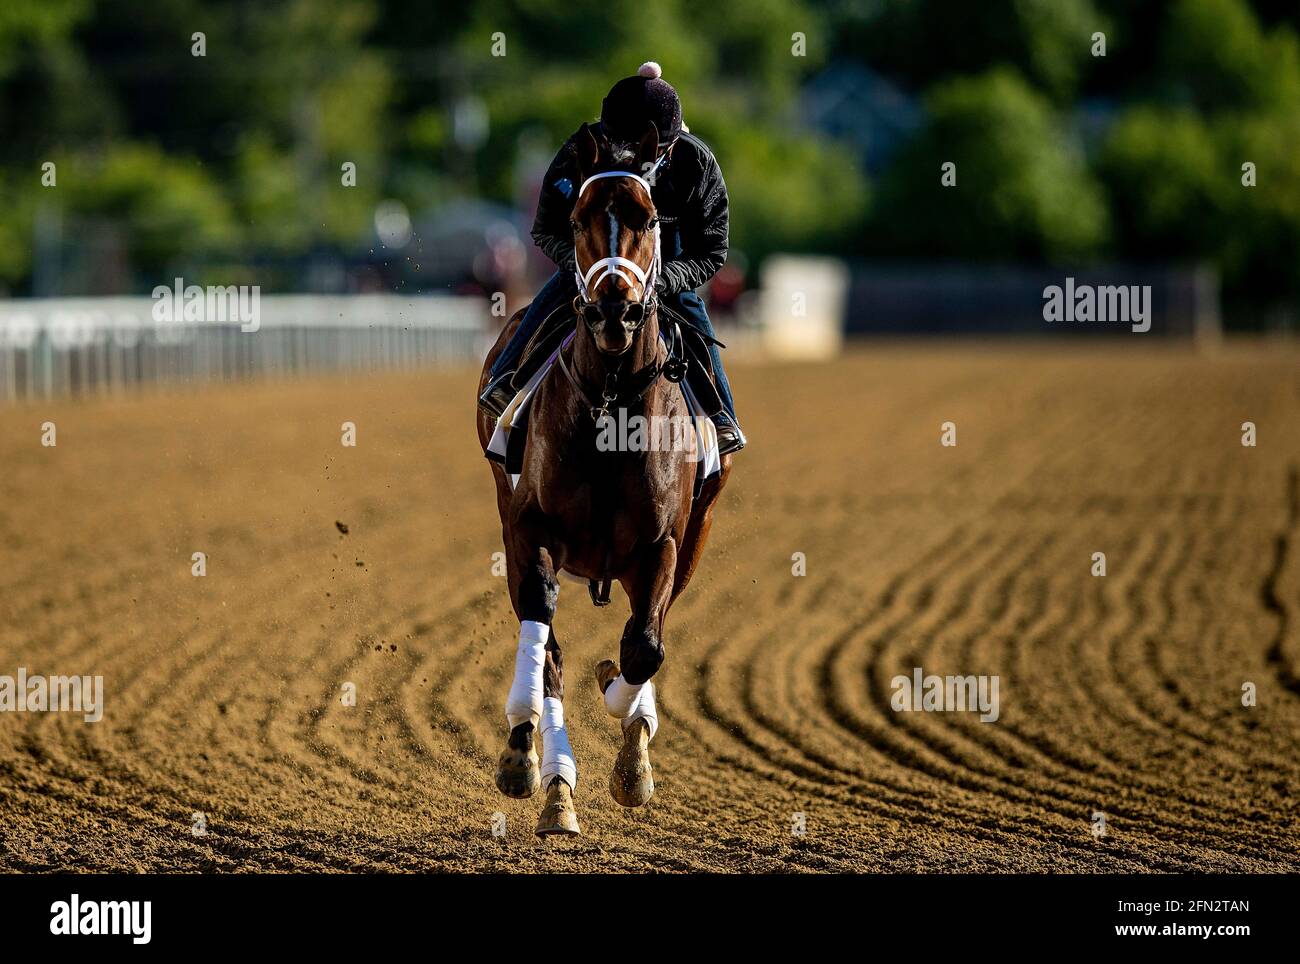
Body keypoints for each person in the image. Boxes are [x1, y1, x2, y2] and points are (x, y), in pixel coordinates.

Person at [478, 61, 746, 455]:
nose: (625, 155)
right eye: (618, 144)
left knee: (692, 317)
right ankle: (506, 379)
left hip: (667, 264)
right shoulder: (576, 152)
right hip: (591, 260)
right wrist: (586, 267)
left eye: (638, 149)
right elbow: (545, 228)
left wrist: (664, 279)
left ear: (670, 142)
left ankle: (722, 417)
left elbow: (712, 249)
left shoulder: (697, 164)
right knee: (549, 301)